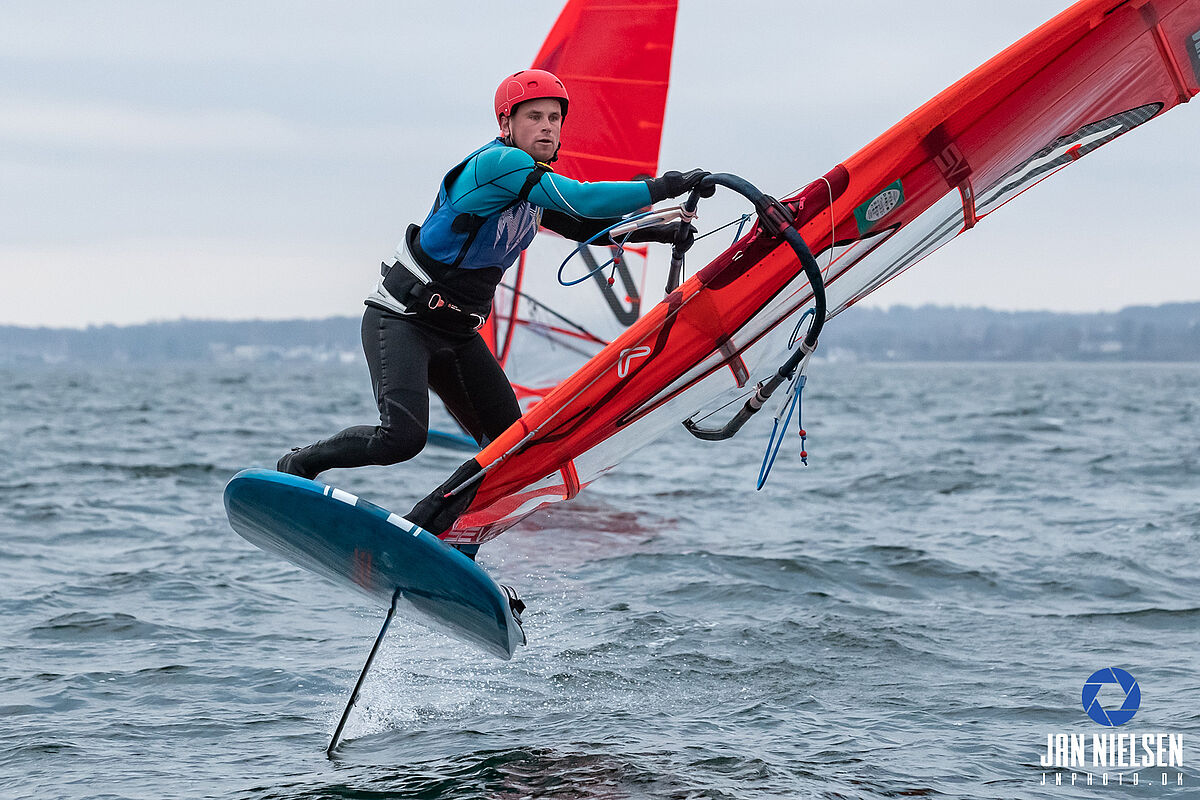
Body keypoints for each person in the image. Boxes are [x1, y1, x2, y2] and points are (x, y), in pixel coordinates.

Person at [277, 68, 710, 482]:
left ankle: (454, 536)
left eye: (554, 119)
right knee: (402, 439)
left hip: (459, 333)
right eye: (534, 117)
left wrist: (662, 231)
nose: (546, 127)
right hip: (403, 319)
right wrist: (667, 186)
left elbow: (583, 227)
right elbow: (582, 201)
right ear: (507, 123)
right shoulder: (498, 166)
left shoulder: (534, 188)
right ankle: (299, 464)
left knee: (508, 450)